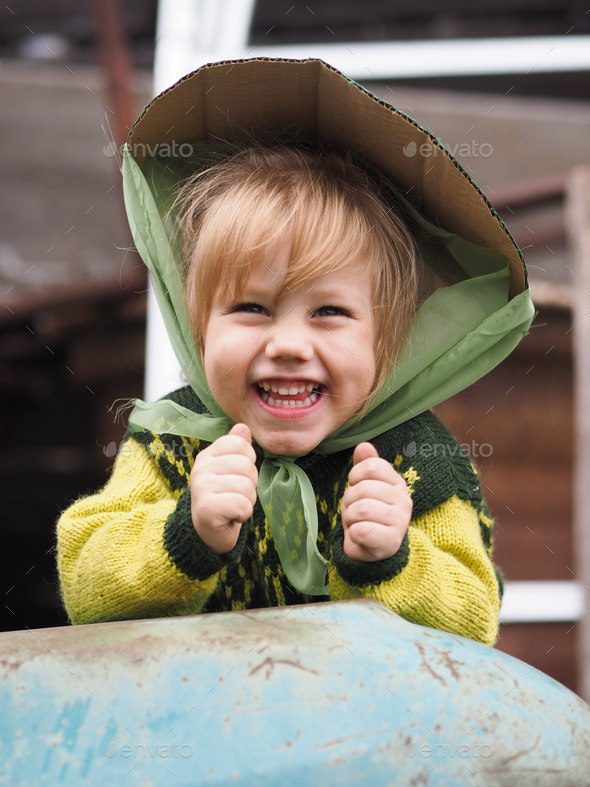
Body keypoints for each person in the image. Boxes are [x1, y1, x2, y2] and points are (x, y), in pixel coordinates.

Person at [56, 58, 534, 645]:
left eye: (329, 313)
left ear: (385, 337)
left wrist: (388, 560)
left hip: (360, 731)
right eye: (251, 309)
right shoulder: (174, 444)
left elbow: (475, 620)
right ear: (196, 325)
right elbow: (85, 590)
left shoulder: (415, 457)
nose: (286, 345)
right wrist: (187, 532)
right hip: (201, 725)